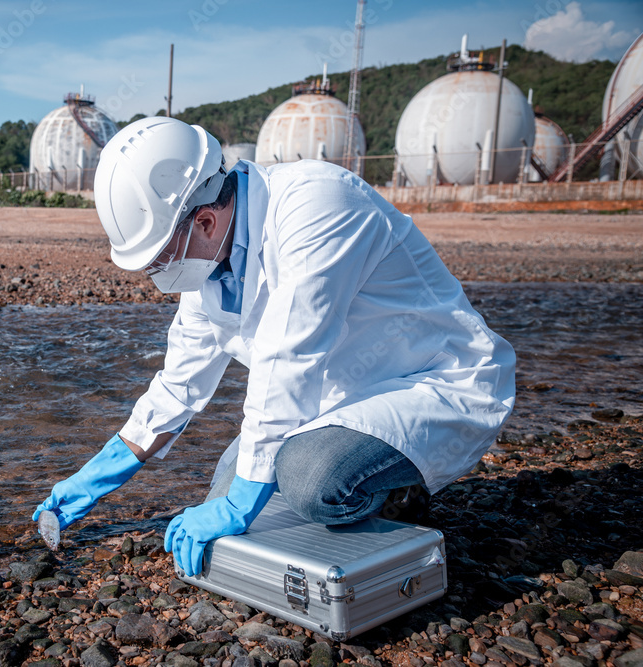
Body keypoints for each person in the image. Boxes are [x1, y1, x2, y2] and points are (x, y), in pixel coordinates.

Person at [33, 117, 516, 578]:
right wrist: (93, 479)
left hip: (430, 381)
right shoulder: (211, 270)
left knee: (307, 479)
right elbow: (178, 387)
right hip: (336, 399)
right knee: (226, 488)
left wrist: (245, 503)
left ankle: (398, 497)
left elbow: (289, 360)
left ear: (204, 221)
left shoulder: (317, 206)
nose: (159, 275)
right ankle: (338, 479)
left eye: (160, 260)